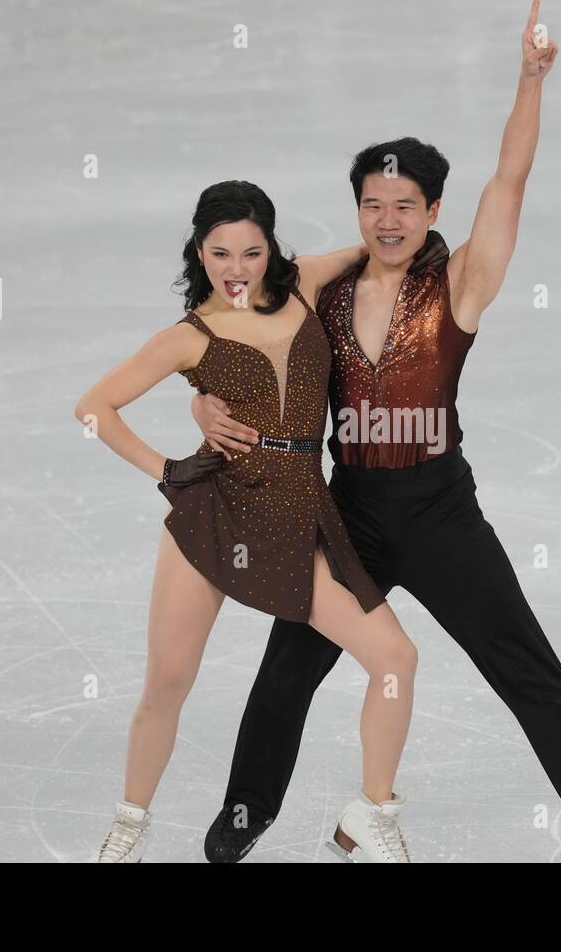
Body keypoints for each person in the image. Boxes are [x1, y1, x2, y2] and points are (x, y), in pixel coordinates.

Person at [194, 1, 561, 863]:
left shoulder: (460, 285)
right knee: (287, 668)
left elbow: (508, 183)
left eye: (406, 204)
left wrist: (529, 82)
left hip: (440, 512)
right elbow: (236, 347)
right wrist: (202, 407)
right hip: (348, 512)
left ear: (433, 208)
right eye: (373, 204)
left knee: (528, 672)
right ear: (357, 210)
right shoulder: (321, 295)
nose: (389, 219)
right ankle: (247, 811)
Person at [75, 180, 438, 863]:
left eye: (250, 250)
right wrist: (164, 468)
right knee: (167, 684)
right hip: (214, 516)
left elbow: (378, 246)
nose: (236, 268)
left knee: (395, 658)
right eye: (220, 253)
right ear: (199, 253)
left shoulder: (302, 284)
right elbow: (93, 407)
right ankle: (129, 824)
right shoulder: (188, 337)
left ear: (271, 247)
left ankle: (372, 812)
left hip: (300, 513)